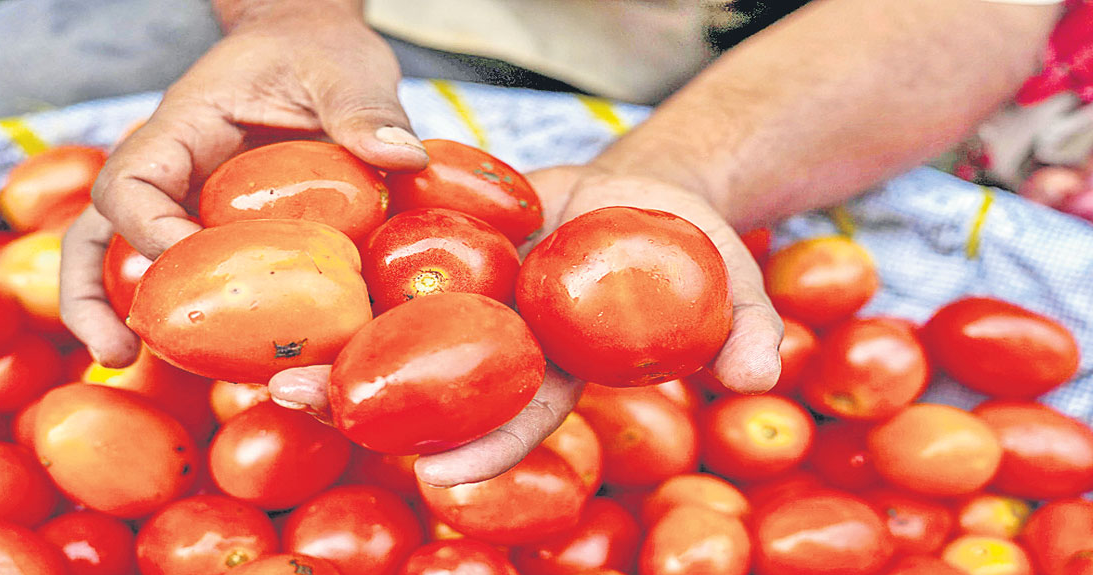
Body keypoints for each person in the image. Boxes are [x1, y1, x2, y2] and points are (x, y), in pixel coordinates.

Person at [60, 0, 1065, 488]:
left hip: (780, 48)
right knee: (20, 60)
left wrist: (686, 168)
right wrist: (293, 22)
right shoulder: (378, 238)